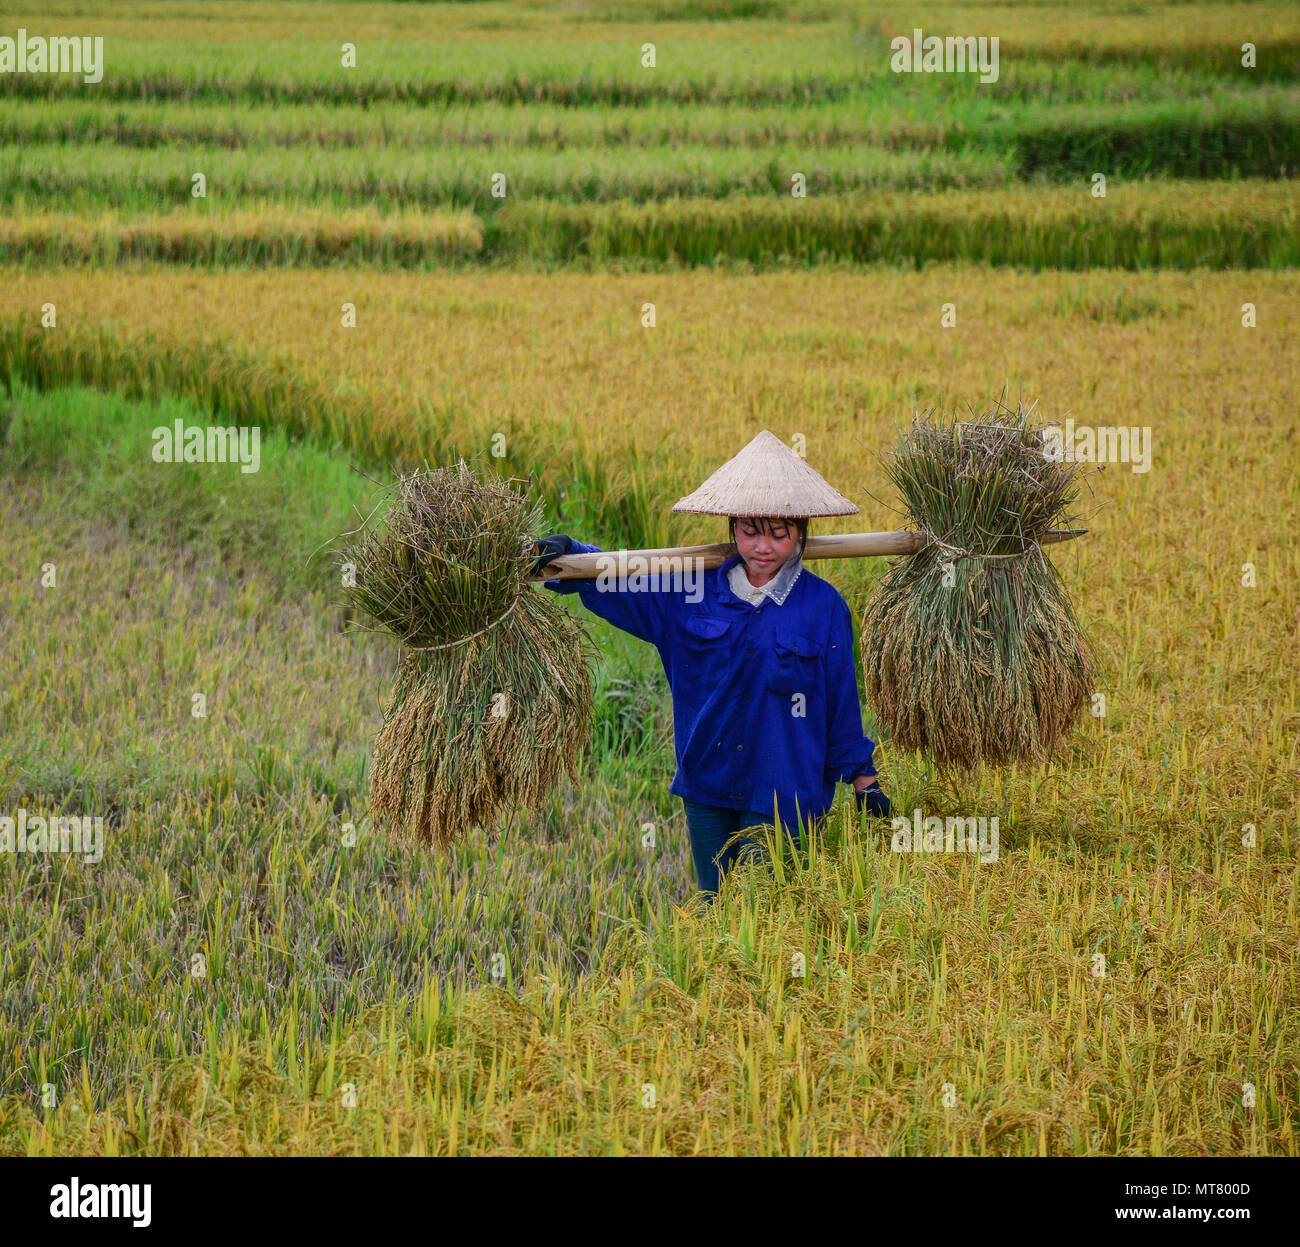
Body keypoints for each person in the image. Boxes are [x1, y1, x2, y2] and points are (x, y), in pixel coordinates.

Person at [532, 430, 891, 900]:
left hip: (788, 790)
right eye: (750, 532)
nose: (764, 547)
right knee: (714, 907)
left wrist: (863, 779)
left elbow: (841, 702)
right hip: (708, 783)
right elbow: (616, 579)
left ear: (801, 532)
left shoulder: (823, 608)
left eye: (779, 535)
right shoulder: (687, 593)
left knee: (768, 913)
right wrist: (572, 557)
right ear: (732, 530)